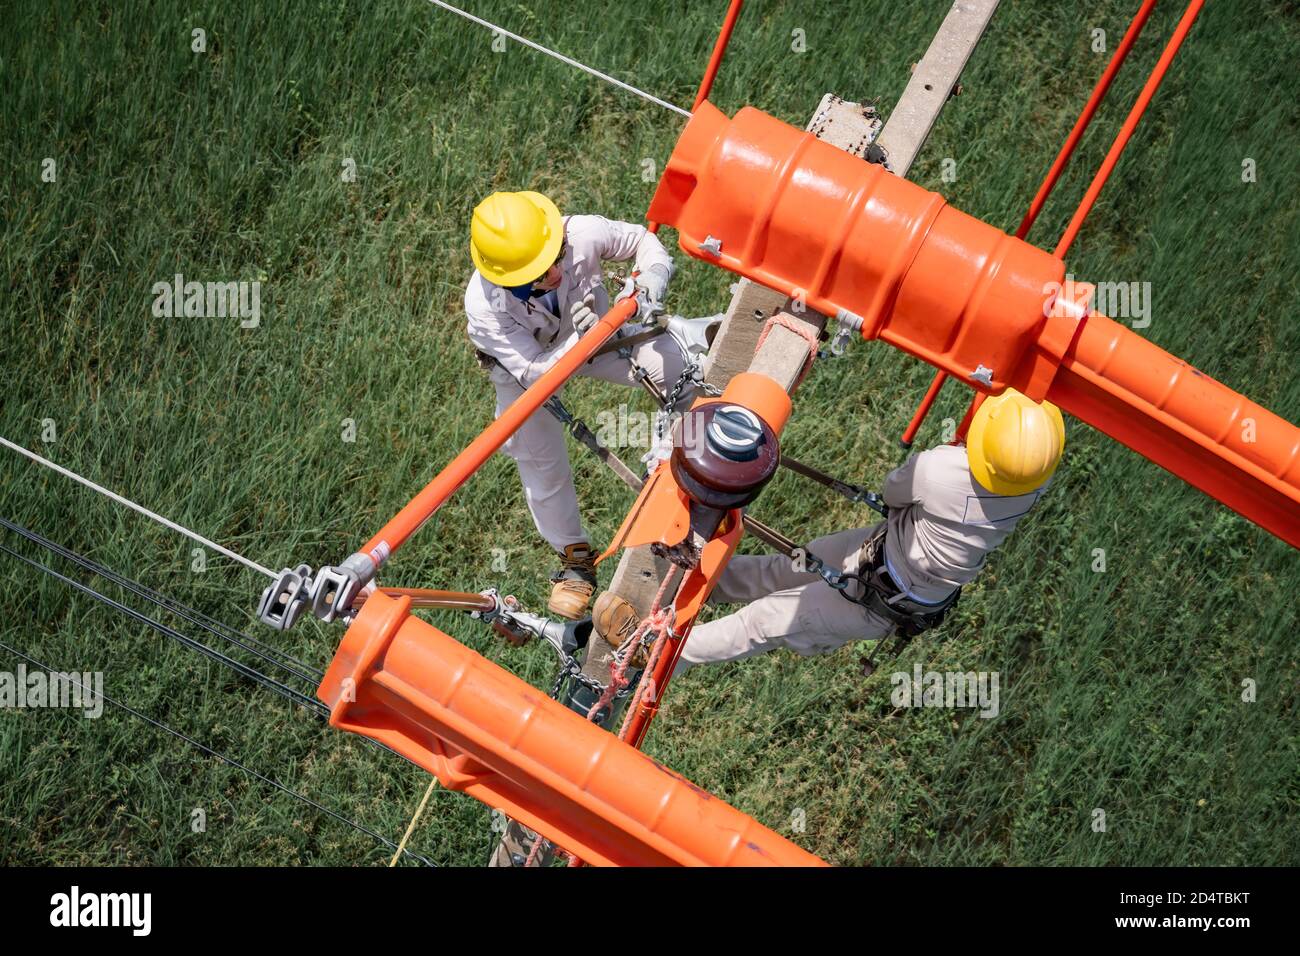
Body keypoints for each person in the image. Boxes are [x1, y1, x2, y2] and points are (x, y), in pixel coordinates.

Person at [594, 389, 1066, 673]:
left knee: (766, 622)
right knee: (788, 566)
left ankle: (649, 652)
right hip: (892, 567)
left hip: (886, 594)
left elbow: (894, 490)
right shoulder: (1030, 486)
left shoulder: (943, 471)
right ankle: (702, 586)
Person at [465, 190, 691, 620]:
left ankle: (681, 461)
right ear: (503, 278)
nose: (553, 273)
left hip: (602, 337)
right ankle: (575, 559)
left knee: (680, 369)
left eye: (556, 257)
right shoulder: (484, 306)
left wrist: (653, 276)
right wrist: (578, 340)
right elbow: (535, 371)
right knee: (539, 462)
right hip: (528, 371)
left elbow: (643, 241)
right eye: (537, 272)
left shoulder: (582, 232)